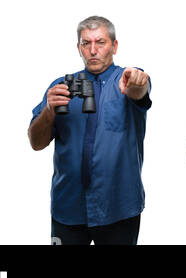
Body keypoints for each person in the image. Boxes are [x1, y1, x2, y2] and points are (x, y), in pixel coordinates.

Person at [28, 16, 153, 245]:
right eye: (86, 43)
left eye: (101, 42)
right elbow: (36, 143)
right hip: (68, 206)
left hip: (119, 206)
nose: (93, 50)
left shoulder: (125, 79)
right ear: (79, 48)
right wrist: (49, 109)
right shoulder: (61, 86)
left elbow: (139, 89)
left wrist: (137, 82)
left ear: (114, 46)